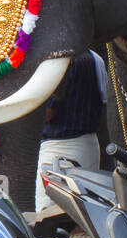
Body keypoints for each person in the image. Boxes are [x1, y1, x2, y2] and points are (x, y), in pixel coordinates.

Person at [34, 51, 107, 216]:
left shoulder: (60, 61)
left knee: (48, 216)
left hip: (58, 152)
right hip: (90, 146)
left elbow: (49, 112)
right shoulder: (97, 59)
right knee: (82, 216)